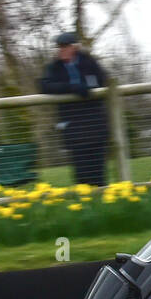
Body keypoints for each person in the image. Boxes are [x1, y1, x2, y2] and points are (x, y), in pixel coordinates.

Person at [39, 32, 110, 186]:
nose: (61, 50)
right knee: (81, 173)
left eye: (65, 46)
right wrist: (71, 88)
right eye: (59, 47)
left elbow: (101, 80)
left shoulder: (89, 62)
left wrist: (87, 87)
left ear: (74, 47)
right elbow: (45, 85)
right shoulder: (54, 67)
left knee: (98, 171)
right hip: (73, 125)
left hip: (94, 123)